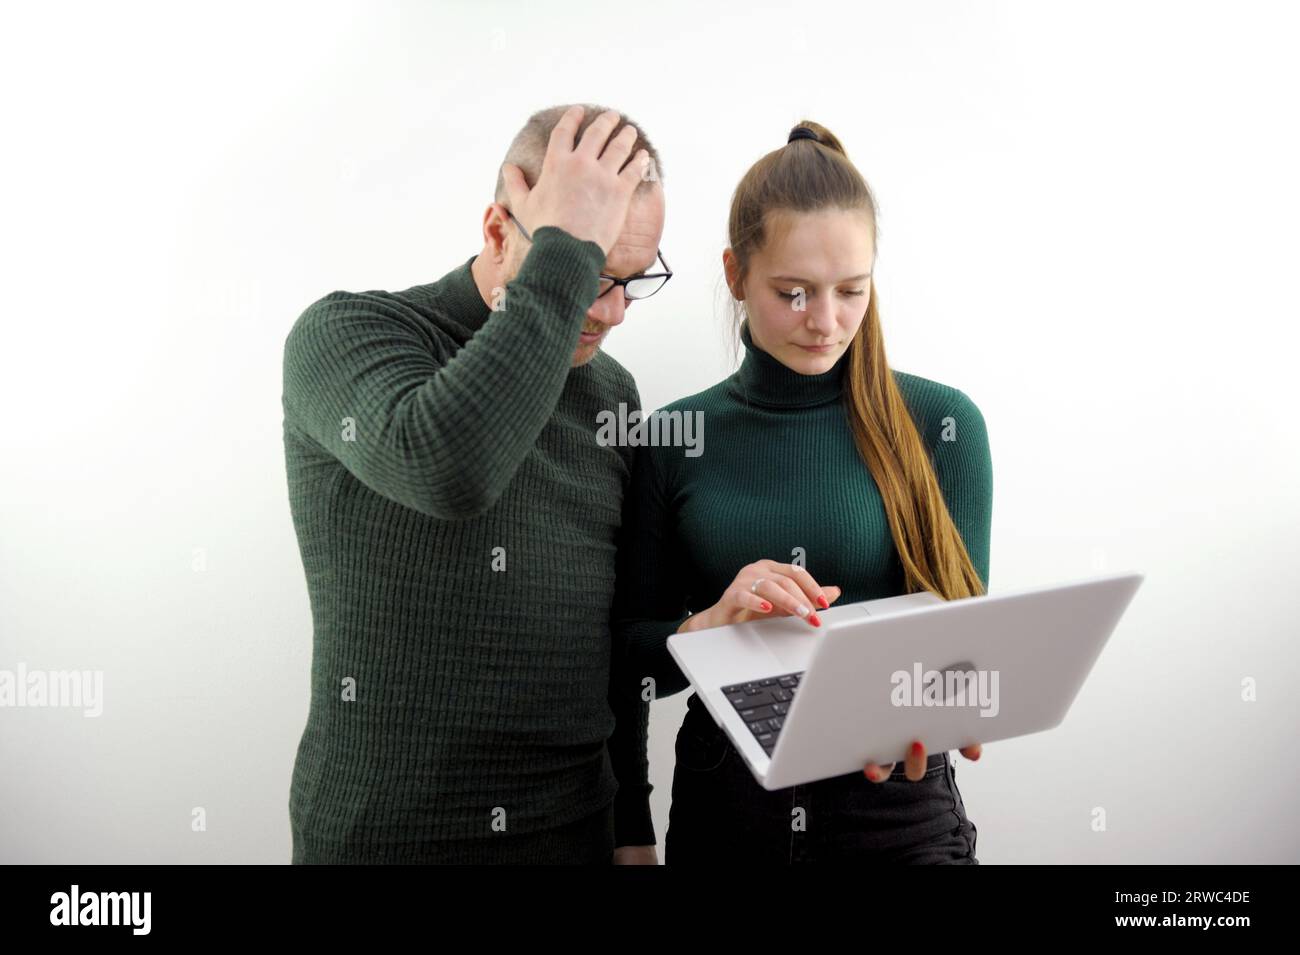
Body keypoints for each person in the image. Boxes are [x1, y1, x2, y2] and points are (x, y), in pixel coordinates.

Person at [281, 104, 667, 863]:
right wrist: (566, 247)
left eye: (633, 278)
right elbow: (450, 464)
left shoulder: (610, 392)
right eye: (589, 272)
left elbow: (611, 646)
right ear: (498, 231)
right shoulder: (348, 335)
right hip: (387, 842)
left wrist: (633, 830)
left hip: (574, 835)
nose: (613, 310)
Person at [613, 121, 991, 864]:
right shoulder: (670, 437)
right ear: (734, 274)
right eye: (792, 293)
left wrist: (932, 710)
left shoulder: (942, 424)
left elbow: (967, 659)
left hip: (899, 816)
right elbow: (627, 668)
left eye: (852, 291)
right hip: (729, 812)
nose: (825, 323)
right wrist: (707, 627)